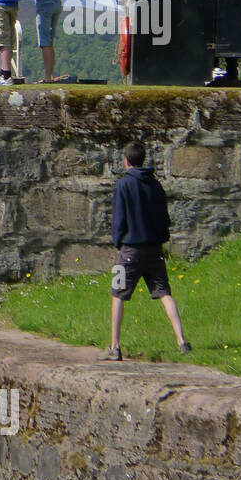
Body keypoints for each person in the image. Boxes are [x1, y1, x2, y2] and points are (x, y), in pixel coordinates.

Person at [102, 141, 191, 361]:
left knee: (117, 293)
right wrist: (162, 238)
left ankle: (114, 346)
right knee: (164, 292)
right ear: (143, 160)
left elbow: (119, 218)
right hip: (154, 249)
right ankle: (181, 340)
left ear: (126, 161)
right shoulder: (155, 185)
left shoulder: (123, 185)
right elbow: (164, 217)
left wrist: (118, 241)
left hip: (130, 250)